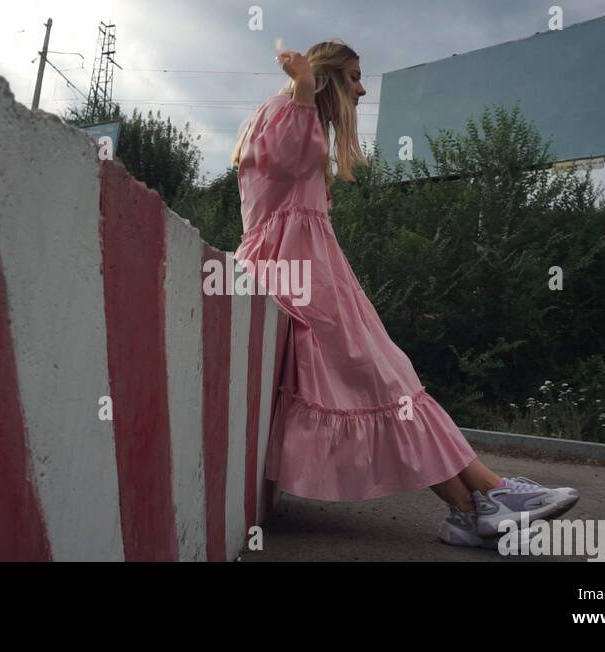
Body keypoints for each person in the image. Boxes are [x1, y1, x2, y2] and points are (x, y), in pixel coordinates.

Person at [230, 39, 579, 548]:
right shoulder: (286, 110)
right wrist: (303, 89)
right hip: (294, 272)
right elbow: (283, 165)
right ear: (329, 77)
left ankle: (481, 500)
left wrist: (307, 97)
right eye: (353, 76)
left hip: (311, 270)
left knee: (393, 380)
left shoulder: (297, 116)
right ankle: (483, 500)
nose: (362, 87)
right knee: (383, 383)